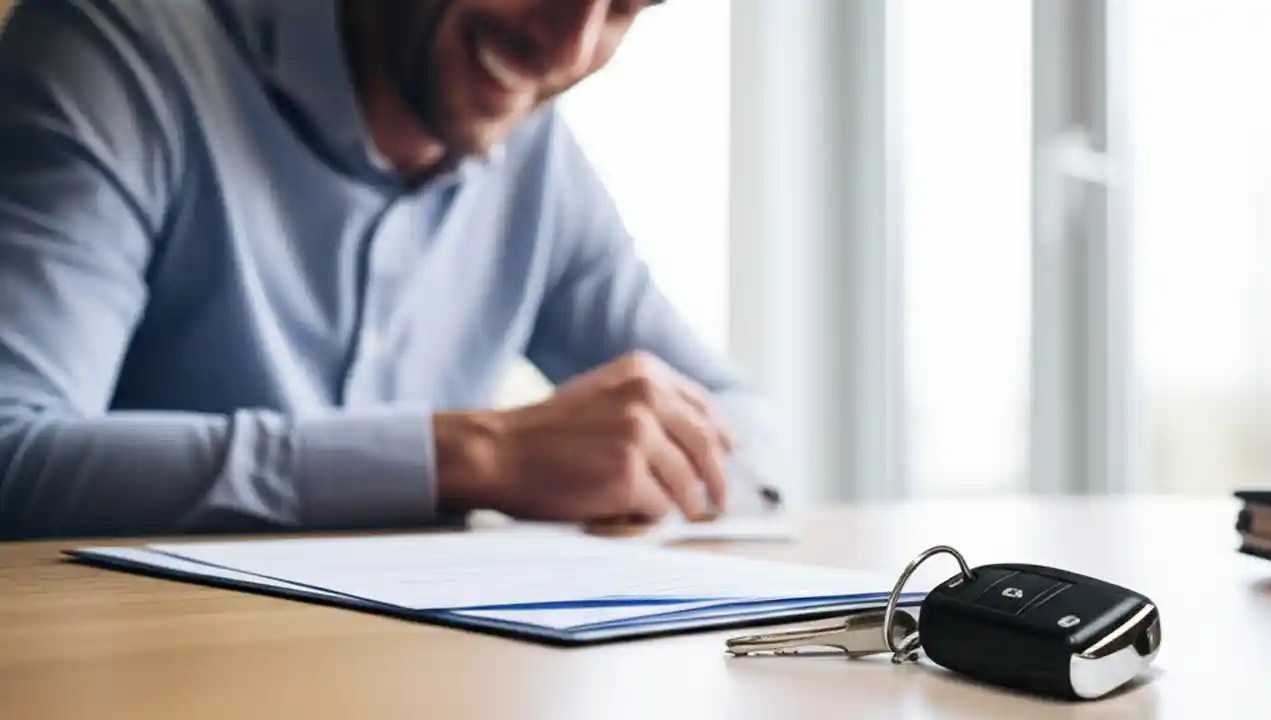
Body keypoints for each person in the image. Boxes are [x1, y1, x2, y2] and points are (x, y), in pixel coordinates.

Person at [0, 0, 777, 540]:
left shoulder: (536, 164)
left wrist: (652, 451)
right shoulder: (116, 58)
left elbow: (749, 426)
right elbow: (12, 455)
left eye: (622, 9)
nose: (568, 48)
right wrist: (478, 457)